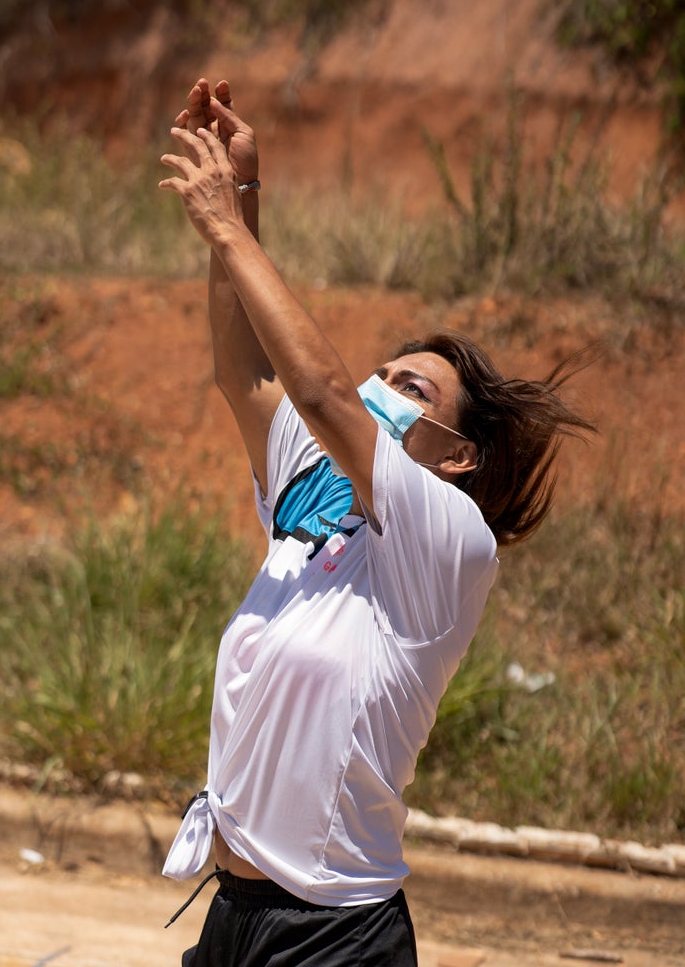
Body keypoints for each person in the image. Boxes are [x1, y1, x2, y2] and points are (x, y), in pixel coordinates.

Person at [158, 77, 596, 967]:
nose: (379, 388)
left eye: (411, 388)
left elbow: (316, 386)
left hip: (333, 938)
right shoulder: (312, 492)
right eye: (384, 371)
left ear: (458, 453)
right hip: (232, 918)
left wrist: (226, 227)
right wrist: (246, 189)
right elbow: (245, 373)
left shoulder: (448, 542)